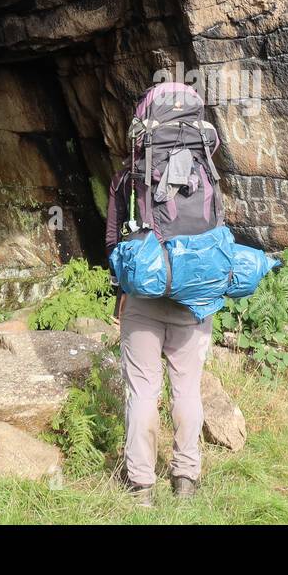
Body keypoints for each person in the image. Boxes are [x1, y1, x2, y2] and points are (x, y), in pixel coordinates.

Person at [105, 161, 213, 507]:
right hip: (192, 301)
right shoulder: (205, 173)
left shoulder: (128, 176)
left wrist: (127, 287)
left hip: (142, 302)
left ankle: (141, 486)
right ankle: (185, 478)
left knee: (143, 392)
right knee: (187, 390)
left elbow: (112, 244)